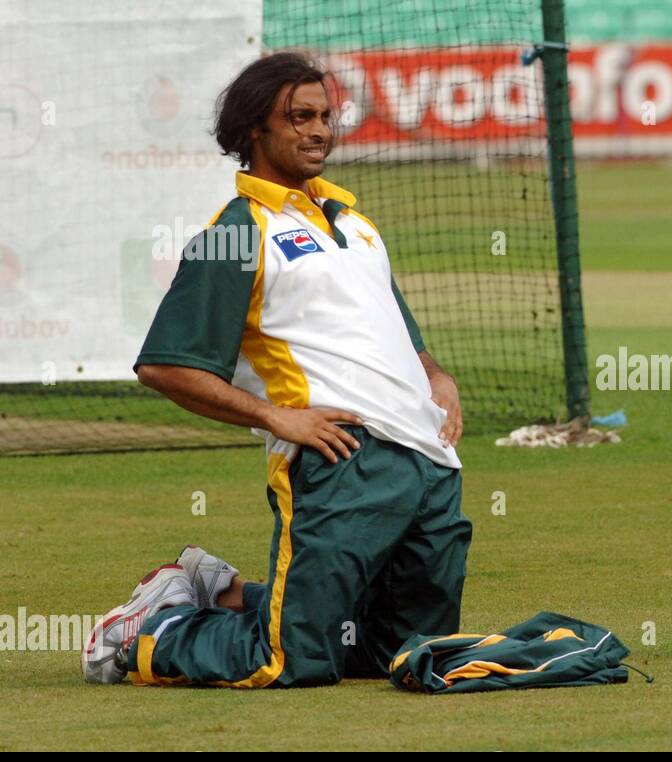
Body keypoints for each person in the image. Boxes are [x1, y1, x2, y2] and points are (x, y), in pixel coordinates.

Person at [82, 52, 472, 687]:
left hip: (432, 467)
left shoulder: (358, 225)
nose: (319, 130)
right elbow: (162, 365)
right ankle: (147, 635)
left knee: (398, 656)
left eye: (325, 116)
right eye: (299, 117)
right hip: (342, 458)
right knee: (287, 660)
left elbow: (402, 336)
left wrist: (438, 376)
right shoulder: (236, 233)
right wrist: (273, 416)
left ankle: (224, 590)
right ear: (255, 128)